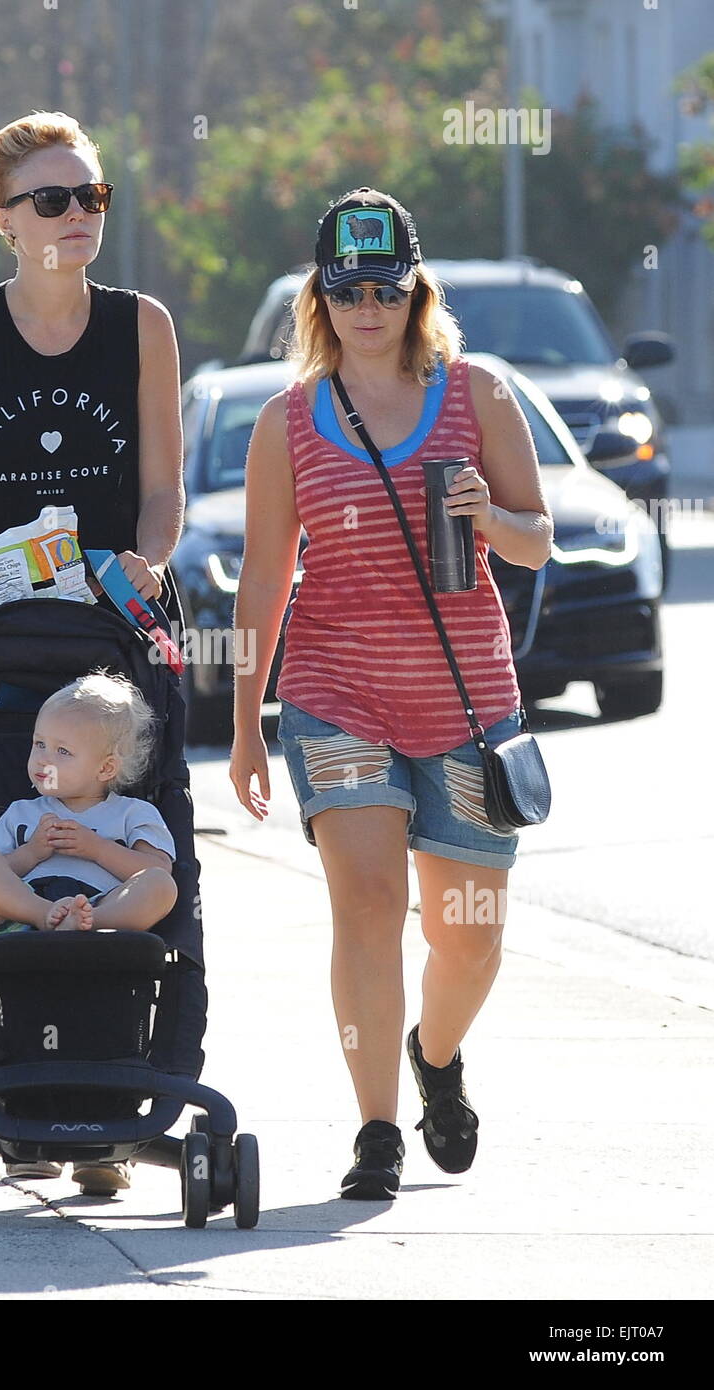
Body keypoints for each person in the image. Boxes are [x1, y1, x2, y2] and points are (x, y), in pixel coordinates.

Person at [229, 188, 553, 1201]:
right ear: (319, 301)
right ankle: (375, 1129)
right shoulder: (287, 421)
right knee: (366, 903)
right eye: (346, 288)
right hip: (336, 692)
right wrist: (246, 722)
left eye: (387, 286)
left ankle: (437, 1054)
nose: (368, 305)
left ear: (419, 291)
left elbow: (540, 539)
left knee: (469, 935)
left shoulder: (482, 395)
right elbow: (263, 573)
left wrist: (488, 514)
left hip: (466, 702)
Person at [0, 110, 184, 620]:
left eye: (91, 196)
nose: (77, 214)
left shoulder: (145, 324)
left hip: (117, 618)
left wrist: (152, 562)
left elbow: (165, 488)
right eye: (52, 201)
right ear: (3, 217)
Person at [0, 669, 178, 1194]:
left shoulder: (133, 813)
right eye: (38, 745)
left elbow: (155, 872)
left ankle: (84, 923)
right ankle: (41, 914)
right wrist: (32, 852)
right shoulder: (22, 812)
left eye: (61, 751)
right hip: (21, 922)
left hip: (102, 922)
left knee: (159, 888)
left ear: (106, 767)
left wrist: (97, 849)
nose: (42, 761)